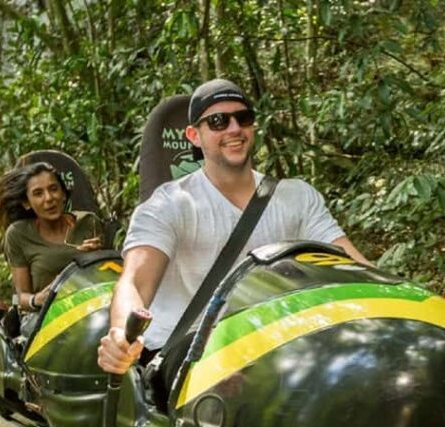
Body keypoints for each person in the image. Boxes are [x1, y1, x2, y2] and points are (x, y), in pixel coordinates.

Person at [98, 78, 368, 375]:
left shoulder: (296, 197)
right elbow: (135, 282)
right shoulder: (169, 204)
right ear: (194, 136)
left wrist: (398, 299)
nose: (234, 129)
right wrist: (121, 335)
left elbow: (351, 265)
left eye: (243, 118)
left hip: (277, 349)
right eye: (218, 121)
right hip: (188, 355)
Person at [0, 161, 103, 313]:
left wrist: (96, 257)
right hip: (46, 317)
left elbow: (109, 274)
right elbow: (19, 297)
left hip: (92, 309)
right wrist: (37, 299)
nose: (49, 198)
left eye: (53, 189)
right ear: (26, 203)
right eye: (38, 193)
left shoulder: (89, 222)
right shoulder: (18, 234)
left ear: (63, 193)